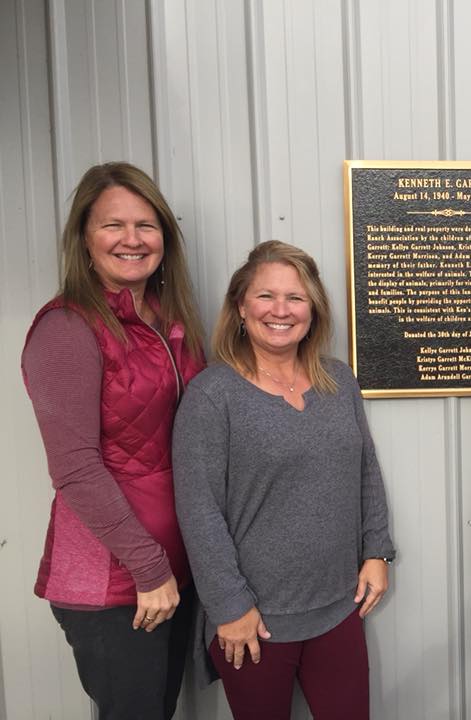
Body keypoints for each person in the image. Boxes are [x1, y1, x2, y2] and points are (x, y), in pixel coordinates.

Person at [172, 240, 395, 720]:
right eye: (265, 296)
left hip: (338, 607)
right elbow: (198, 509)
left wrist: (377, 550)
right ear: (240, 307)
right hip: (253, 621)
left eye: (295, 298)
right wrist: (230, 607)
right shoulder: (212, 396)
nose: (281, 310)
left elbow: (365, 472)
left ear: (312, 310)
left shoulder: (338, 381)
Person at [20, 162, 206, 719]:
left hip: (173, 573)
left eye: (146, 225)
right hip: (116, 585)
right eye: (113, 225)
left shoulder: (171, 321)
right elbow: (75, 467)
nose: (132, 239)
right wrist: (149, 569)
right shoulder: (67, 328)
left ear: (164, 239)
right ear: (84, 237)